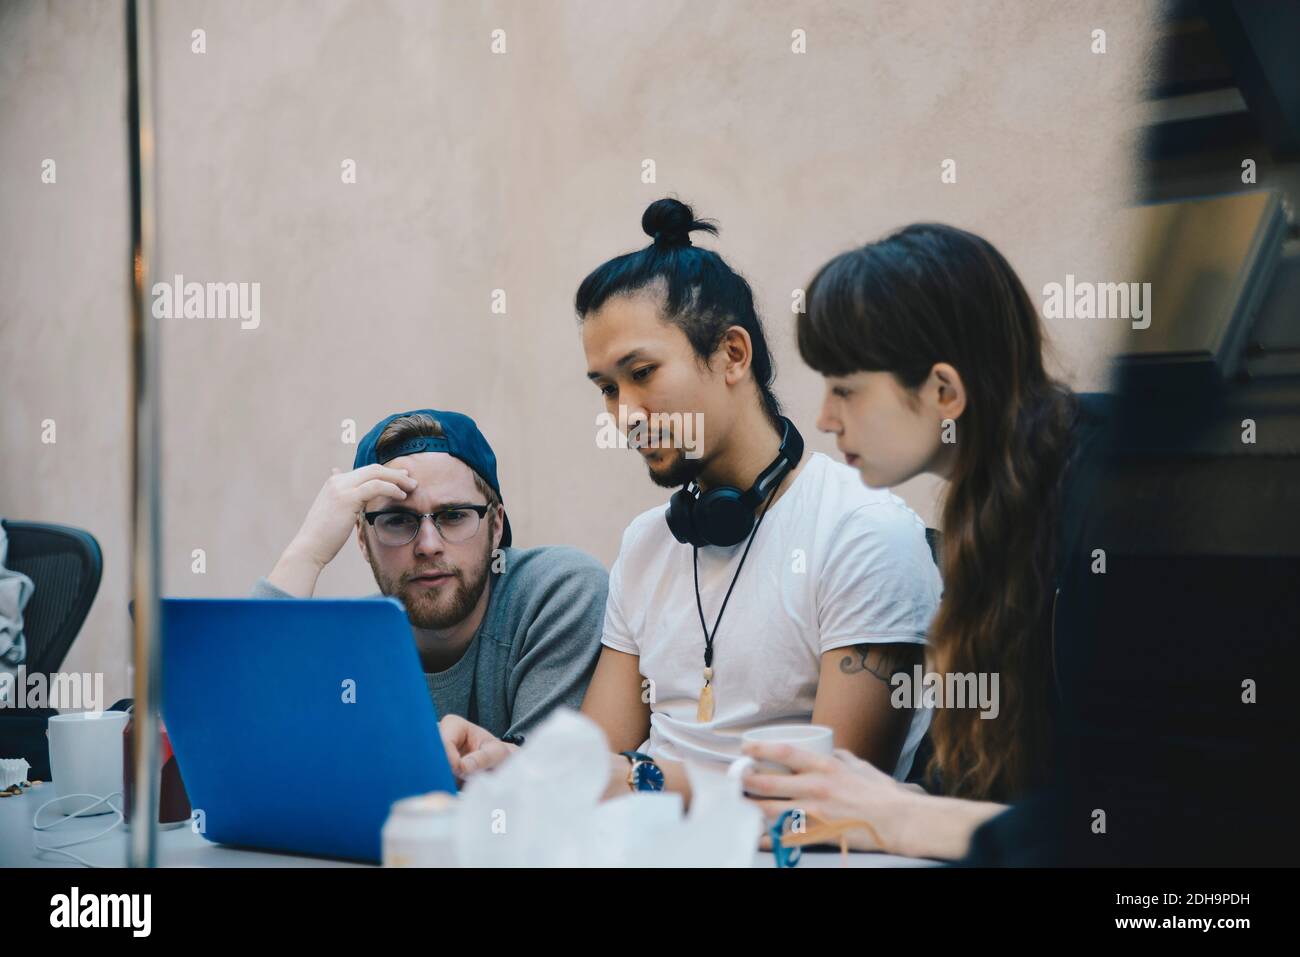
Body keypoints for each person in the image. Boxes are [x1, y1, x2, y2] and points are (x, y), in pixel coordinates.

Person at [740, 223, 1112, 859]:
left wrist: (900, 815)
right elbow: (992, 794)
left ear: (944, 392)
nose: (825, 418)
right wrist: (867, 804)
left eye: (845, 388)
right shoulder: (990, 513)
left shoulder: (1107, 501)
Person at [575, 199, 941, 803]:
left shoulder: (865, 531)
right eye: (608, 389)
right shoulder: (645, 543)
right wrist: (507, 760)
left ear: (732, 355)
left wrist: (645, 778)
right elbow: (592, 766)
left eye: (642, 373)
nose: (625, 414)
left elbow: (830, 802)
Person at [254, 408, 608, 776]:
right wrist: (307, 552)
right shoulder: (348, 640)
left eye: (453, 515)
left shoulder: (556, 594)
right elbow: (244, 745)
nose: (428, 545)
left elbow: (547, 786)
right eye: (397, 520)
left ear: (496, 526)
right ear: (362, 538)